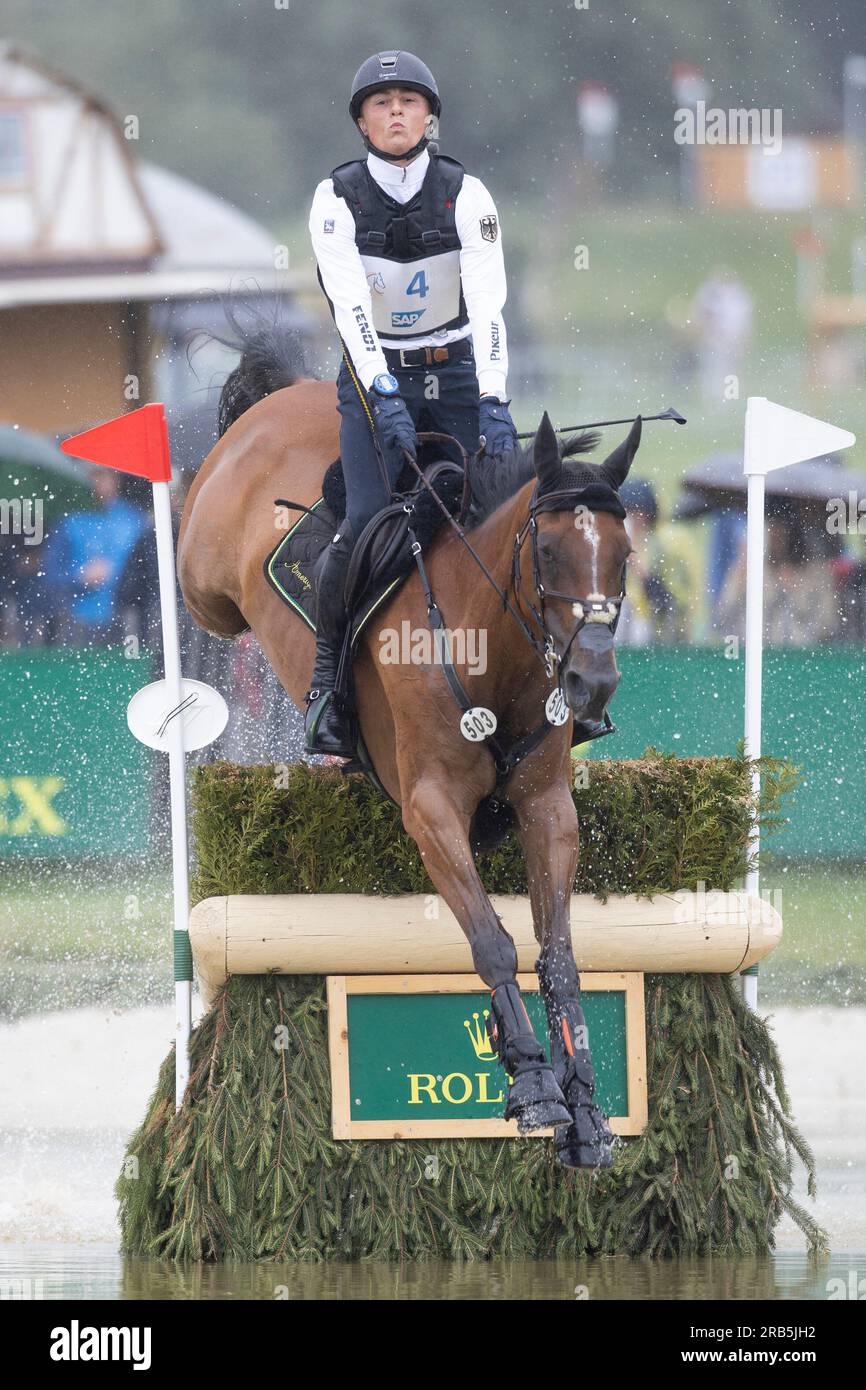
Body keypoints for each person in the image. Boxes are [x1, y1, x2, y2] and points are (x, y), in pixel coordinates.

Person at [305, 49, 519, 755]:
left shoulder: (468, 194)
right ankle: (327, 688)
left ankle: (540, 685)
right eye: (380, 103)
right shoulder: (335, 198)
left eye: (408, 101)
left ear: (429, 116)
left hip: (455, 368)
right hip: (375, 373)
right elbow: (350, 309)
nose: (395, 112)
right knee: (365, 518)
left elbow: (488, 304)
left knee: (498, 517)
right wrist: (383, 394)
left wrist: (495, 401)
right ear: (362, 122)